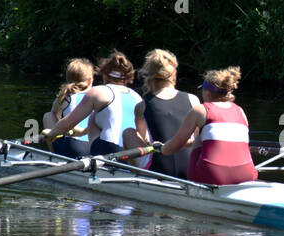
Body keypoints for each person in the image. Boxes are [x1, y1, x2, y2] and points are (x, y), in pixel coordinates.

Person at [158, 67, 258, 185]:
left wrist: (161, 148)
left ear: (207, 92)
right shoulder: (240, 111)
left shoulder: (200, 110)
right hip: (247, 175)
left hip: (213, 176)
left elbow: (172, 148)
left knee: (199, 139)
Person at [41, 51, 148, 159]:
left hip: (103, 151)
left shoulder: (98, 92)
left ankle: (54, 158)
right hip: (132, 154)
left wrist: (51, 134)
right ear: (128, 77)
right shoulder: (138, 97)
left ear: (104, 75)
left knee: (91, 118)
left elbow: (67, 124)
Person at [135, 49, 197, 178]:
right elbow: (197, 138)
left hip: (160, 170)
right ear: (174, 74)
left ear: (149, 76)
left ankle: (134, 175)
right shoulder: (192, 99)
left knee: (128, 132)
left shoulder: (142, 105)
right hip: (190, 170)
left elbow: (143, 141)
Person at [46, 58, 94, 159]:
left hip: (73, 147)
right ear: (90, 80)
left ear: (68, 78)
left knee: (48, 116)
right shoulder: (100, 96)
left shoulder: (65, 96)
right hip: (95, 148)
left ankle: (53, 156)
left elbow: (54, 114)